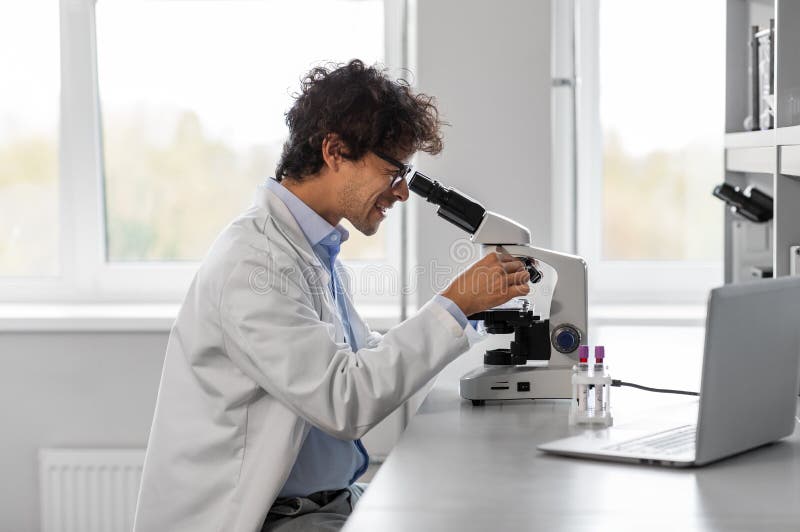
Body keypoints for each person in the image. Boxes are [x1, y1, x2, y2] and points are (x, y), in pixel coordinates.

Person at [133, 59, 530, 532]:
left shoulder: (308, 246)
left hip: (328, 499)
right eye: (394, 171)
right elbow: (345, 399)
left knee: (455, 510)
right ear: (335, 151)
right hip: (265, 519)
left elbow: (360, 358)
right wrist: (454, 303)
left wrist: (471, 313)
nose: (402, 193)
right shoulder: (253, 261)